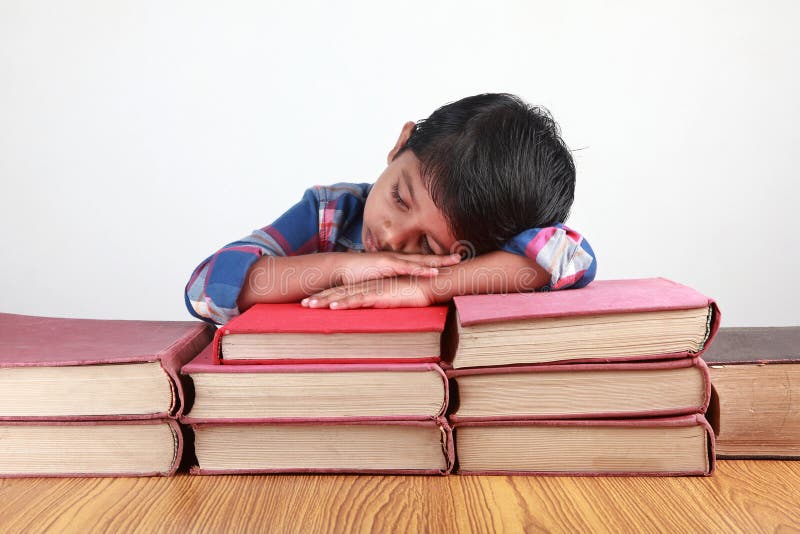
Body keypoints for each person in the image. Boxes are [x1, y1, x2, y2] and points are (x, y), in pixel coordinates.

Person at [185, 93, 596, 325]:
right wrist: (345, 268)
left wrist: (426, 287)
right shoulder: (332, 213)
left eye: (429, 246)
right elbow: (205, 288)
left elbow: (568, 255)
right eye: (400, 197)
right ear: (401, 144)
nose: (393, 236)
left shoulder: (477, 258)